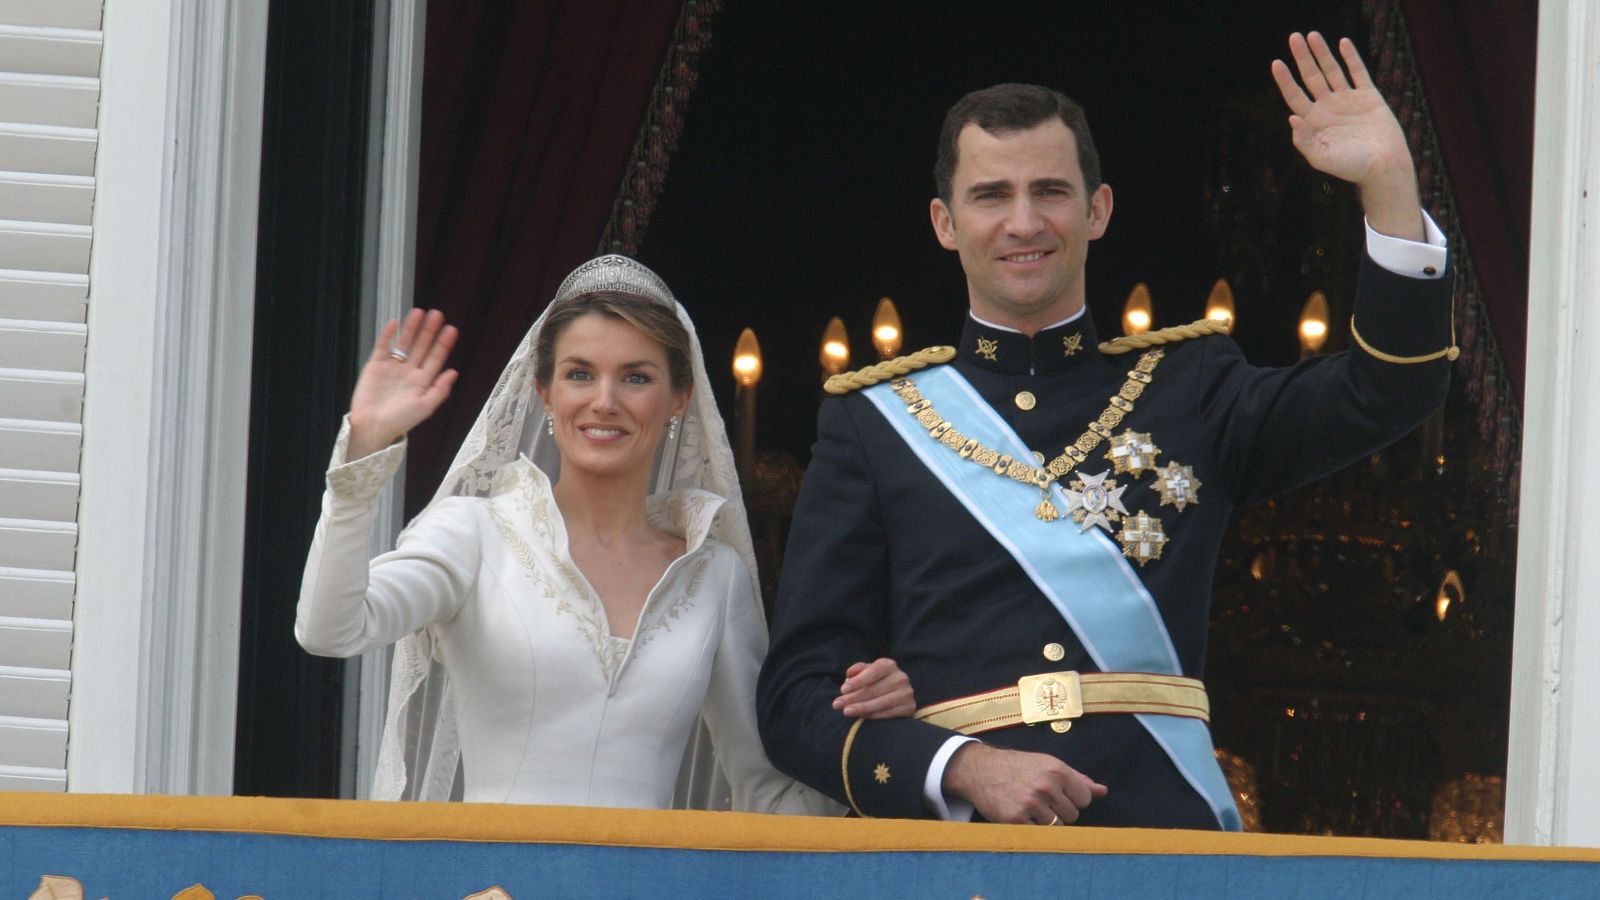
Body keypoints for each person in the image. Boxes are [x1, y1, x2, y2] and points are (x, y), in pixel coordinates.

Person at [757, 33, 1454, 829]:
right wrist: (962, 766)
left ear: (1098, 210)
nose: (1024, 221)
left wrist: (1391, 187)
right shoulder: (875, 421)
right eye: (992, 196)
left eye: (1050, 191)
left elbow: (1389, 390)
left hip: (1160, 839)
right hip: (959, 855)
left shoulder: (1190, 388)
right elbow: (794, 703)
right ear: (945, 223)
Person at [295, 254, 914, 811]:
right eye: (580, 374)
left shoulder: (712, 572)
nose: (605, 401)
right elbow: (330, 629)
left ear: (679, 398)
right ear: (544, 392)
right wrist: (362, 458)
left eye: (637, 377)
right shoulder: (473, 532)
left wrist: (865, 735)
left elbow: (764, 791)